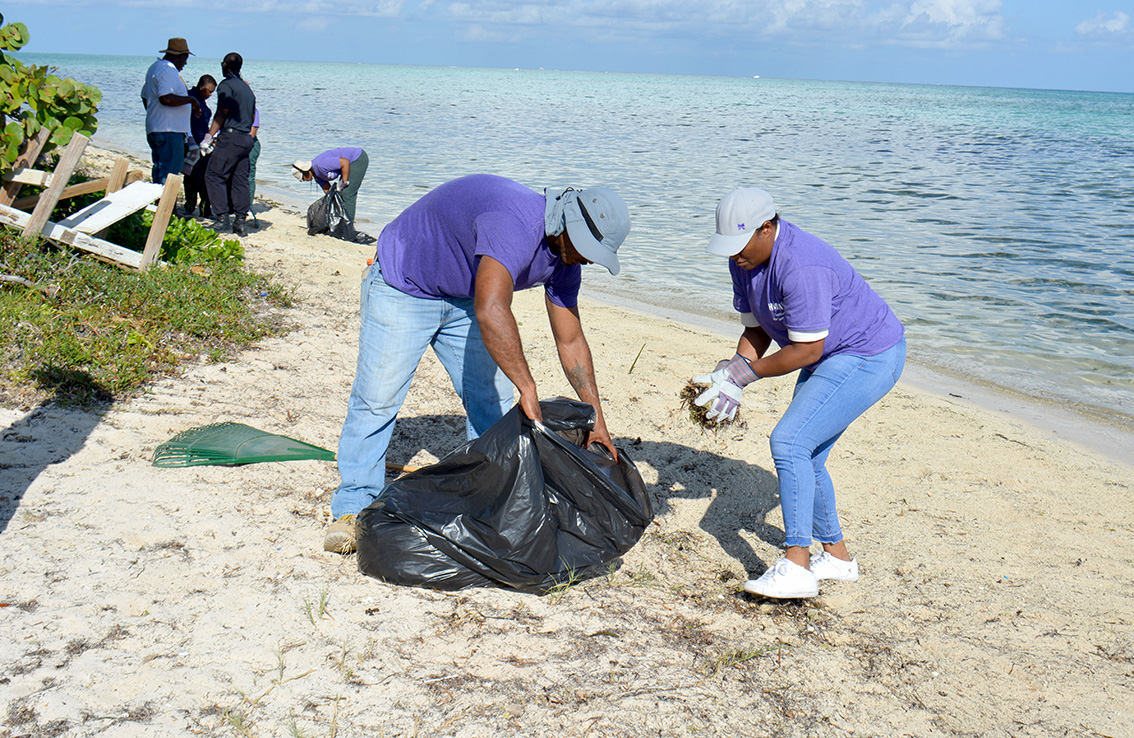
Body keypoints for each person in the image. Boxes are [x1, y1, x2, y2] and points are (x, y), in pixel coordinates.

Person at [323, 174, 631, 554]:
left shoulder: (567, 258)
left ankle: (493, 501)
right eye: (587, 249)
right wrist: (527, 386)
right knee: (377, 400)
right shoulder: (516, 225)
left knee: (494, 405)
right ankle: (353, 506)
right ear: (567, 226)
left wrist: (596, 419)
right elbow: (491, 310)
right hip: (404, 284)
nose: (587, 259)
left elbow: (570, 341)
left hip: (466, 293)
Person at [694, 187, 906, 599]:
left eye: (739, 244)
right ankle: (838, 560)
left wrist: (744, 377)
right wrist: (731, 372)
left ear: (766, 228)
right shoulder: (744, 260)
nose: (734, 255)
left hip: (868, 354)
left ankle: (796, 566)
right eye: (728, 246)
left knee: (790, 442)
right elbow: (757, 329)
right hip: (829, 355)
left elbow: (807, 350)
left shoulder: (801, 265)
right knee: (806, 454)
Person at [201, 52, 256, 237]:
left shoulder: (226, 85)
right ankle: (240, 221)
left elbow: (222, 111)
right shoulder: (247, 89)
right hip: (246, 138)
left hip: (231, 137)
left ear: (225, 65)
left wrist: (209, 136)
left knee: (214, 175)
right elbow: (252, 117)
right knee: (240, 180)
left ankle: (222, 218)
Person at [140, 37, 200, 185]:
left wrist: (154, 114)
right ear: (178, 56)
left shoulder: (155, 68)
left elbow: (145, 96)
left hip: (158, 128)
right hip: (169, 130)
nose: (185, 63)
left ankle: (158, 198)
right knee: (169, 176)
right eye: (185, 59)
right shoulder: (168, 70)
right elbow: (165, 98)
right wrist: (191, 100)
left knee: (160, 171)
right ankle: (165, 201)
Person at [291, 147, 368, 222]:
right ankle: (342, 221)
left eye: (303, 178)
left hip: (357, 158)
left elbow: (345, 162)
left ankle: (348, 224)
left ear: (306, 172)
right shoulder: (317, 176)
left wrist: (344, 182)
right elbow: (328, 191)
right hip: (347, 165)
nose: (304, 180)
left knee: (347, 193)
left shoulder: (320, 165)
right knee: (340, 195)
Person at [183, 74, 216, 217]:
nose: (210, 95)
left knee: (207, 176)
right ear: (201, 87)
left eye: (212, 92)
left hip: (204, 143)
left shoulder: (201, 100)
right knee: (193, 176)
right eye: (209, 91)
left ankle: (205, 208)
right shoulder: (189, 97)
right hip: (191, 141)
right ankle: (190, 206)